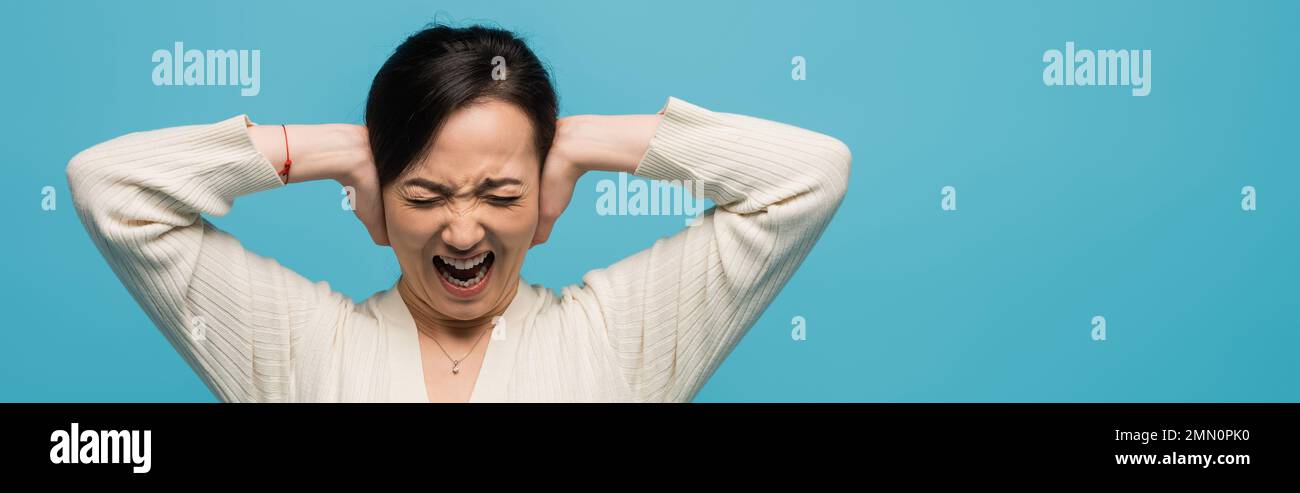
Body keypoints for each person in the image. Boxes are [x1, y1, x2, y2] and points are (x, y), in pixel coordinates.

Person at [66, 24, 851, 402]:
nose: (464, 230)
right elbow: (111, 189)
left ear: (542, 201)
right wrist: (336, 148)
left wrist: (577, 143)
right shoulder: (301, 347)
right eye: (425, 194)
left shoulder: (623, 339)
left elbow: (809, 176)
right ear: (376, 203)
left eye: (500, 194)